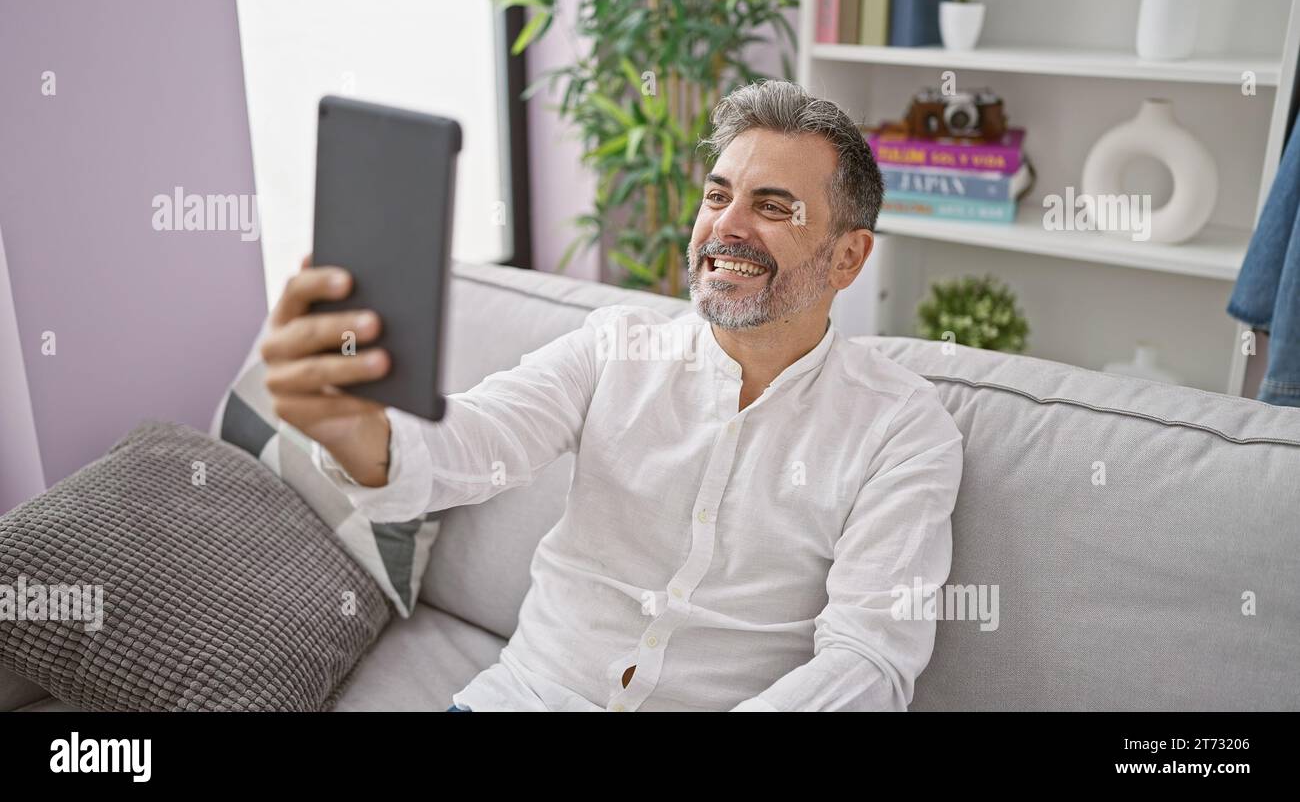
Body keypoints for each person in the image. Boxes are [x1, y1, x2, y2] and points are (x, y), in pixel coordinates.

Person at [259, 80, 964, 711]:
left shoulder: (901, 429)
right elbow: (474, 442)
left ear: (848, 256)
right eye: (717, 194)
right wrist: (355, 427)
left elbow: (868, 659)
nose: (726, 226)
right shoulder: (614, 345)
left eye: (773, 206)